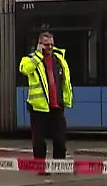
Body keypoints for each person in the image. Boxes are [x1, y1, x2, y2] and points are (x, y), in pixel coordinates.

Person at [18, 32, 72, 166]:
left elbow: (65, 81)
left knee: (60, 139)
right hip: (39, 108)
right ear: (40, 45)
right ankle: (40, 166)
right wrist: (37, 56)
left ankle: (59, 165)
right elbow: (25, 70)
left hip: (56, 107)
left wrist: (65, 99)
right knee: (39, 141)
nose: (50, 48)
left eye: (52, 45)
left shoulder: (59, 60)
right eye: (47, 45)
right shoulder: (29, 59)